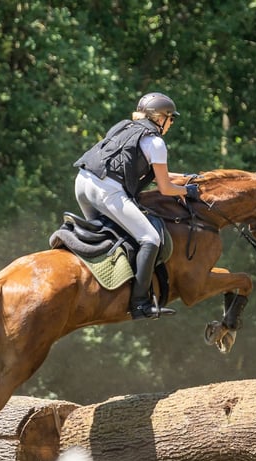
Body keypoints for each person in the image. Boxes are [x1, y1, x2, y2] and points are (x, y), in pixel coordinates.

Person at [73, 92, 200, 319]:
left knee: (108, 233)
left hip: (83, 183)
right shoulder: (156, 141)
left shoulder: (124, 128)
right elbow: (165, 189)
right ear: (160, 118)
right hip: (106, 192)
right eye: (172, 119)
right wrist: (187, 190)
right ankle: (140, 303)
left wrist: (184, 177)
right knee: (150, 239)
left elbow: (149, 171)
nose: (172, 124)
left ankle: (107, 281)